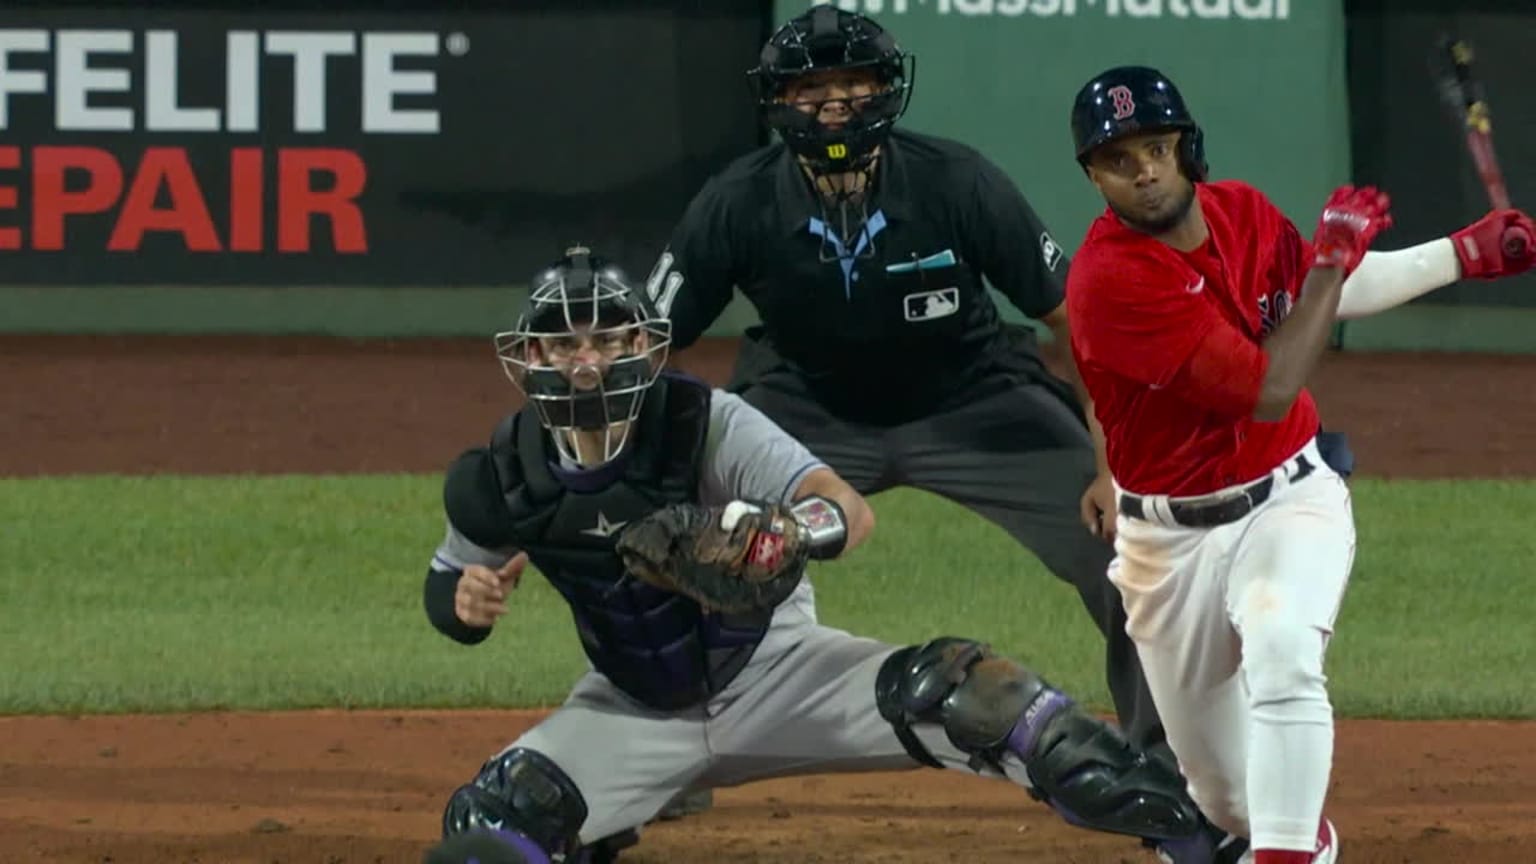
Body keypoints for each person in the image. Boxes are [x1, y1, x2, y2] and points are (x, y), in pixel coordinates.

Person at [417, 246, 1229, 864]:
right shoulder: (503, 475)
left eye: (606, 339)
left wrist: (783, 535)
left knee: (977, 698)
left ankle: (1202, 837)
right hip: (633, 712)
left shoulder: (703, 423)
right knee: (492, 820)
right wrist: (463, 602)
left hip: (779, 671)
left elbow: (842, 506)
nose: (587, 363)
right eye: (562, 345)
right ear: (529, 357)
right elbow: (450, 580)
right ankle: (590, 831)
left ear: (641, 343)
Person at [643, 3, 1203, 835]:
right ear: (779, 101)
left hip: (977, 401)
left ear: (887, 90)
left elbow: (1078, 322)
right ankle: (667, 754)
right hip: (806, 408)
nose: (834, 106)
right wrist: (639, 473)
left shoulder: (955, 181)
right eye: (811, 89)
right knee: (681, 541)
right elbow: (647, 346)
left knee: (1130, 545)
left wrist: (1112, 465)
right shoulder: (737, 202)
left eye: (853, 84)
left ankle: (1167, 761)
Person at [1063, 65, 1535, 864]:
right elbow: (1270, 386)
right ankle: (1294, 840)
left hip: (1288, 501)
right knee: (1228, 799)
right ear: (1094, 178)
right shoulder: (1111, 280)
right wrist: (1330, 262)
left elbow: (1321, 297)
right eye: (1118, 158)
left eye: (1156, 148)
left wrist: (1465, 253)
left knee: (1282, 642)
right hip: (1165, 548)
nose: (1143, 171)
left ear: (1187, 149)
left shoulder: (1243, 211)